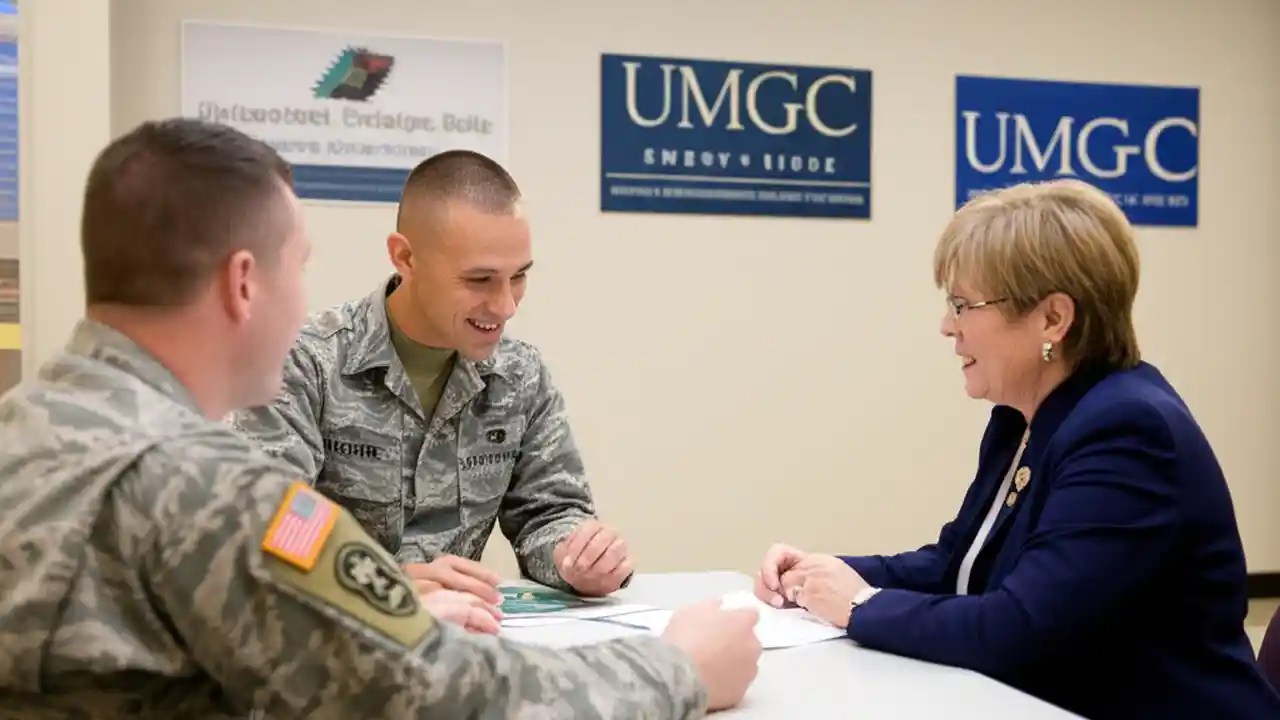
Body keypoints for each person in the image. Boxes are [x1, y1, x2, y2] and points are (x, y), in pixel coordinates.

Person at [0, 117, 762, 717]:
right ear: (243, 283)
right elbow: (442, 696)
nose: (305, 300)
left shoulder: (25, 426)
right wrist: (680, 668)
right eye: (296, 267)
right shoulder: (207, 491)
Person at [754, 179, 1280, 719]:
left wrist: (862, 605)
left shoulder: (1128, 431)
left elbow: (1020, 628)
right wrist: (823, 574)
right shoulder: (1022, 418)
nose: (946, 327)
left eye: (963, 305)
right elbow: (960, 564)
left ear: (1053, 318)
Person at [229, 150, 630, 609]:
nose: (506, 306)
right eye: (479, 280)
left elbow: (550, 512)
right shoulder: (303, 362)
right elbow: (268, 522)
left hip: (464, 645)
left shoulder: (519, 375)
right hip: (333, 647)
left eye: (518, 277)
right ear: (405, 257)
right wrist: (378, 583)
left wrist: (575, 557)